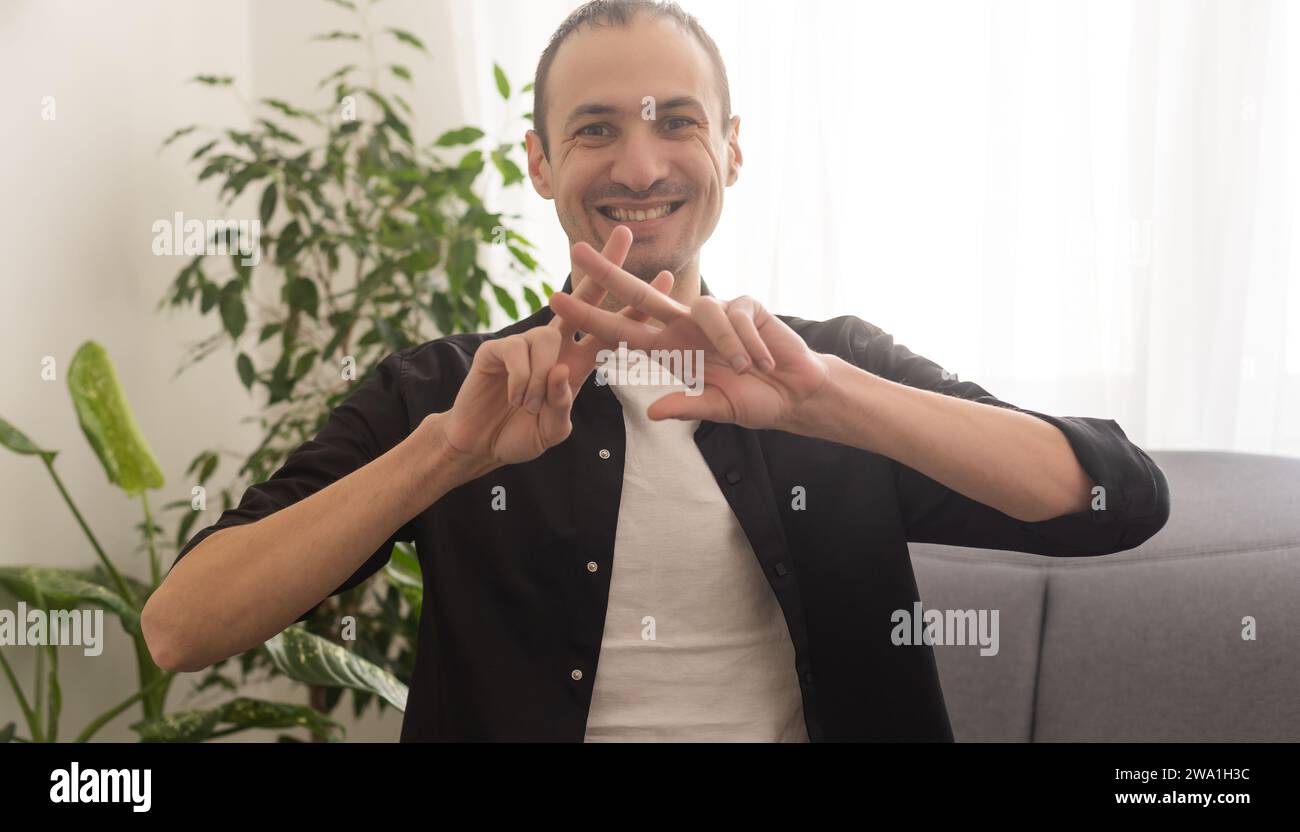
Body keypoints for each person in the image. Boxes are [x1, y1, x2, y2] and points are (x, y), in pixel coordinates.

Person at [142, 0, 1170, 742]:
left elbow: (1112, 498)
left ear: (730, 147)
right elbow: (182, 626)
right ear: (538, 161)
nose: (640, 167)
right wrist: (445, 455)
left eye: (677, 121)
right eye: (596, 130)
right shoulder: (442, 394)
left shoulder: (830, 370)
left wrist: (828, 400)